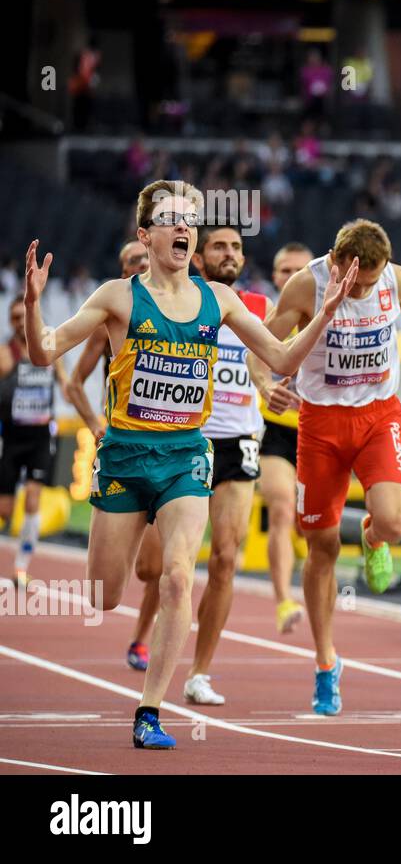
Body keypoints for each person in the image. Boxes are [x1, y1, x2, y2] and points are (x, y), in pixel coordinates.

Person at [22, 179, 357, 750]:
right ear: (145, 235)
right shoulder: (116, 297)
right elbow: (43, 351)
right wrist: (33, 306)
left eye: (189, 220)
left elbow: (278, 357)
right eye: (170, 219)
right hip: (125, 456)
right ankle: (125, 583)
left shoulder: (219, 301)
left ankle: (150, 709)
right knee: (105, 593)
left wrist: (322, 316)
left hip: (185, 456)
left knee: (180, 575)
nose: (183, 227)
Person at [257, 220, 401, 716]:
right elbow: (265, 340)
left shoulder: (395, 279)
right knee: (320, 546)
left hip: (379, 415)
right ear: (338, 260)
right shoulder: (307, 284)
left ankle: (375, 538)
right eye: (356, 281)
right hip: (319, 424)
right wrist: (261, 381)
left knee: (394, 520)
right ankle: (325, 663)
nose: (362, 291)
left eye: (370, 283)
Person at [181, 226, 273, 706]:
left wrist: (268, 383)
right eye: (219, 246)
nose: (230, 253)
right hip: (184, 441)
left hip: (239, 442)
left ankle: (199, 672)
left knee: (225, 559)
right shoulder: (182, 302)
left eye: (236, 247)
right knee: (165, 566)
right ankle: (156, 641)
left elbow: (272, 358)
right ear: (198, 258)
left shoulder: (259, 307)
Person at [64, 239, 161, 670]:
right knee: (120, 582)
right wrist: (94, 424)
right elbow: (72, 382)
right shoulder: (109, 322)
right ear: (123, 272)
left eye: (144, 259)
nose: (141, 265)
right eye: (132, 263)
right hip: (120, 447)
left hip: (169, 451)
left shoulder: (180, 310)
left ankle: (141, 640)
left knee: (159, 568)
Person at [257, 243, 314, 635]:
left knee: (309, 524)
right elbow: (249, 360)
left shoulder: (329, 312)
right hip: (273, 432)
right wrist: (264, 387)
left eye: (299, 269)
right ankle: (283, 600)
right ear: (275, 276)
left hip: (319, 431)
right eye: (283, 270)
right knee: (280, 506)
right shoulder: (259, 317)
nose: (291, 276)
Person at [0, 297, 68, 588]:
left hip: (41, 437)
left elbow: (65, 380)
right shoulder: (5, 354)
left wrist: (70, 389)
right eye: (14, 318)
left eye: (22, 316)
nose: (19, 322)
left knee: (33, 500)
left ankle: (21, 569)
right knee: (4, 510)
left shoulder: (50, 347)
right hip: (11, 438)